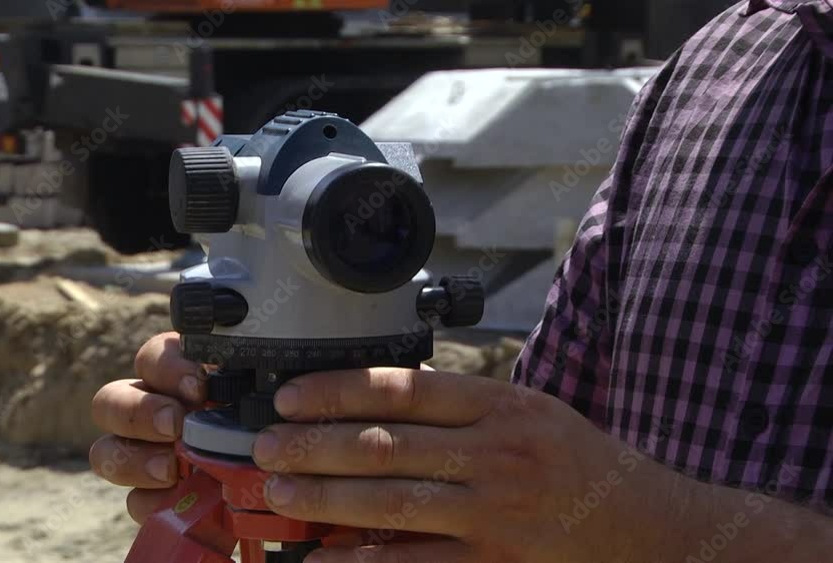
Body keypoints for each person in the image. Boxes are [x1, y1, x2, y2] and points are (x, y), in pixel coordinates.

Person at [89, 2, 833, 561]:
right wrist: (382, 460)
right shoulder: (716, 66)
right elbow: (545, 466)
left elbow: (590, 510)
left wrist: (651, 529)